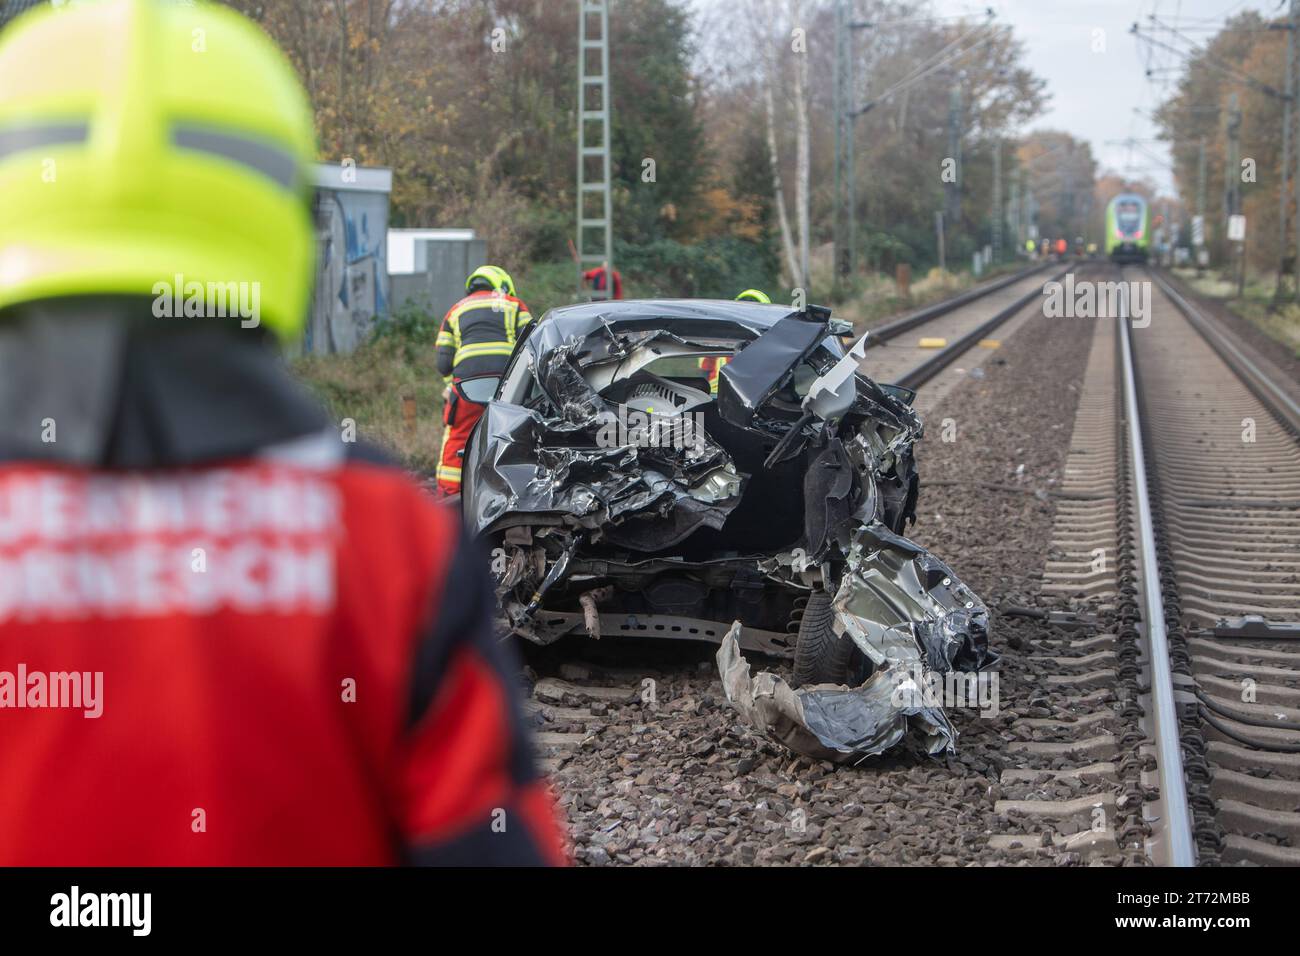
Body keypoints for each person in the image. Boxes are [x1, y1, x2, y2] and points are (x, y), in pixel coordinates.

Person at [0, 0, 566, 867]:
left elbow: (447, 356)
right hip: (493, 405)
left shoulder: (457, 321)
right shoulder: (389, 542)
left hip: (463, 395)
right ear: (284, 224)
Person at [434, 265, 532, 496]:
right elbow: (532, 344)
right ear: (504, 285)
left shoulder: (455, 310)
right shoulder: (514, 305)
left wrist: (452, 385)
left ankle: (450, 495)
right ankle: (513, 493)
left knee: (458, 438)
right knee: (513, 436)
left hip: (467, 388)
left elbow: (443, 364)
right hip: (508, 388)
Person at [699, 290, 773, 393]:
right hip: (717, 394)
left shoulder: (771, 346)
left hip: (748, 397)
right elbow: (705, 370)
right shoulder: (719, 337)